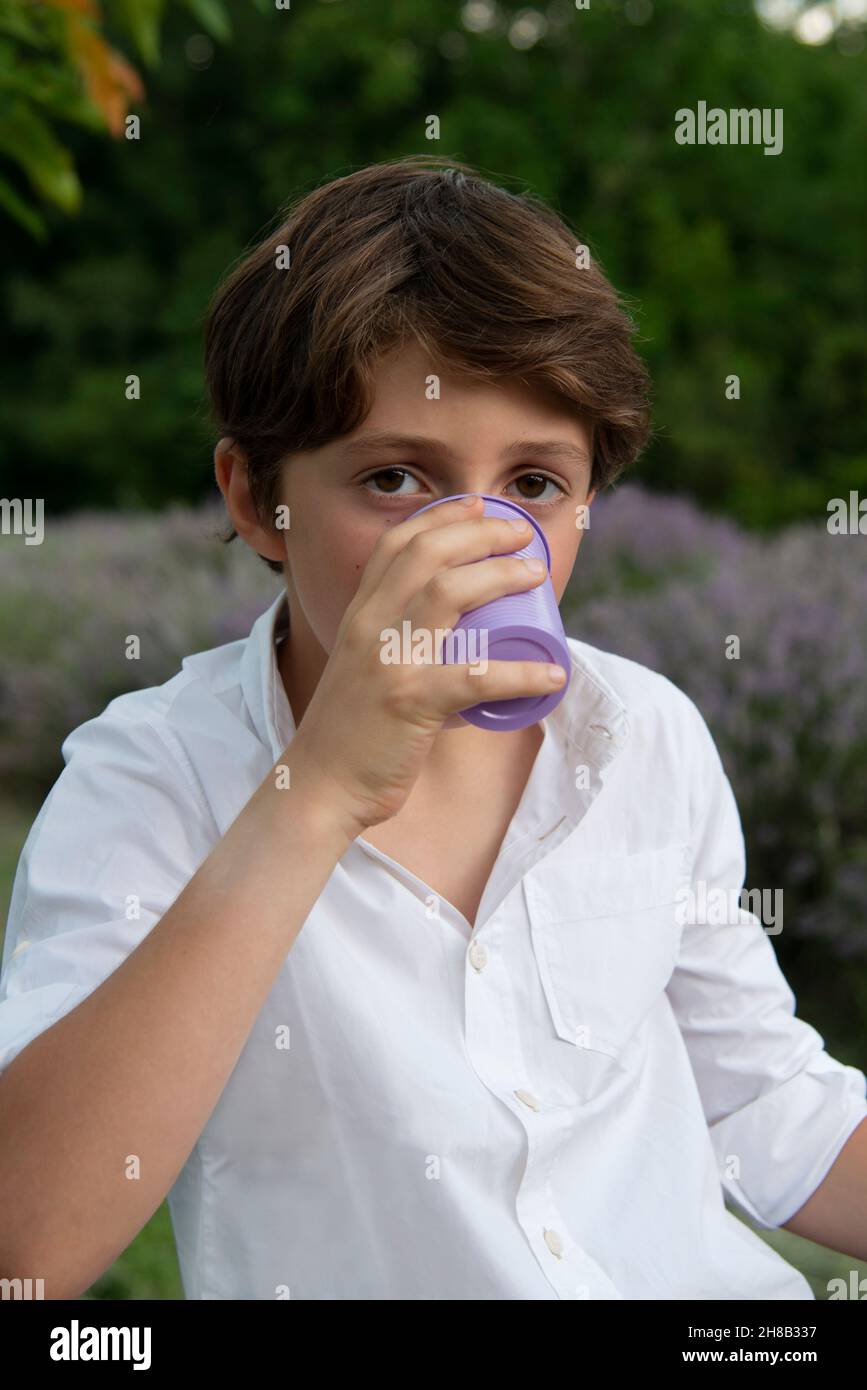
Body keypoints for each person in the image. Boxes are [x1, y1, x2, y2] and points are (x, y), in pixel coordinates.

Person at [1, 156, 865, 1301]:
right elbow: (29, 1245)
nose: (475, 540)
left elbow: (760, 1101)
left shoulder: (644, 734)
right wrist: (315, 791)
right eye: (399, 477)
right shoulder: (155, 776)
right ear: (260, 500)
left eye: (536, 485)